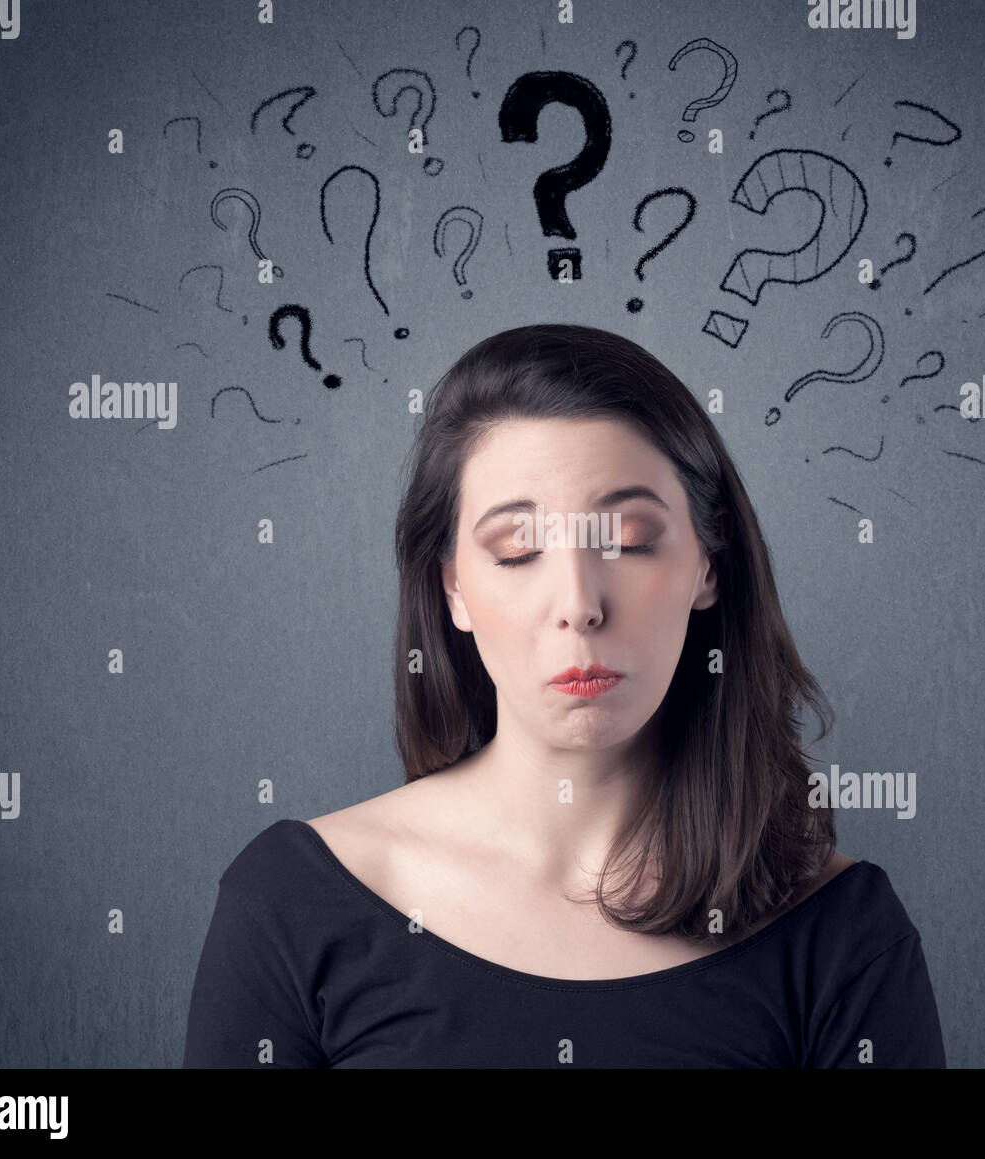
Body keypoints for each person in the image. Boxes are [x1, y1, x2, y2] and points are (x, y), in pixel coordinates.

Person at [182, 322, 946, 1068]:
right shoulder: (293, 903)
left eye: (628, 538)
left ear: (708, 562)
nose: (579, 602)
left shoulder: (841, 931)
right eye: (518, 550)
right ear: (453, 585)